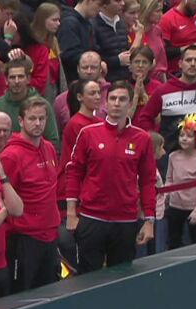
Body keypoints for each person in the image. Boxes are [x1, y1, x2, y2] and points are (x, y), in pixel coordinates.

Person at [64, 81, 156, 273]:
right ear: (106, 103)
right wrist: (72, 213)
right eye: (112, 98)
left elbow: (148, 182)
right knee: (88, 278)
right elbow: (74, 172)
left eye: (122, 99)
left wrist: (149, 220)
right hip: (91, 218)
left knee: (122, 277)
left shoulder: (142, 139)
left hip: (126, 221)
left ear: (130, 103)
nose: (116, 103)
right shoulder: (88, 133)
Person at [0, 98, 58, 292]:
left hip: (50, 234)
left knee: (50, 291)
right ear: (21, 121)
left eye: (42, 118)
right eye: (32, 118)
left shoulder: (49, 147)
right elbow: (2, 197)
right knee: (23, 293)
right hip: (24, 238)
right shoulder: (11, 155)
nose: (38, 123)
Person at [134, 45, 196, 153]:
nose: (192, 64)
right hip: (169, 155)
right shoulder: (163, 90)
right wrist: (155, 141)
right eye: (188, 60)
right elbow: (145, 117)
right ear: (180, 64)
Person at [160, 115, 196, 249]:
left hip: (192, 207)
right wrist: (163, 201)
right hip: (174, 206)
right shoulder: (173, 156)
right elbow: (169, 180)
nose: (184, 138)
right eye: (182, 135)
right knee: (173, 241)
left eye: (189, 136)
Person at [0, 58, 61, 150]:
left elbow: (53, 140)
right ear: (6, 80)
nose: (16, 81)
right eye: (12, 77)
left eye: (20, 76)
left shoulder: (42, 105)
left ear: (28, 79)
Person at [59, 0, 99, 83]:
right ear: (89, 1)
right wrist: (93, 61)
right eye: (99, 4)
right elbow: (68, 54)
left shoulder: (88, 23)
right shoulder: (69, 23)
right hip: (74, 80)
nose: (100, 9)